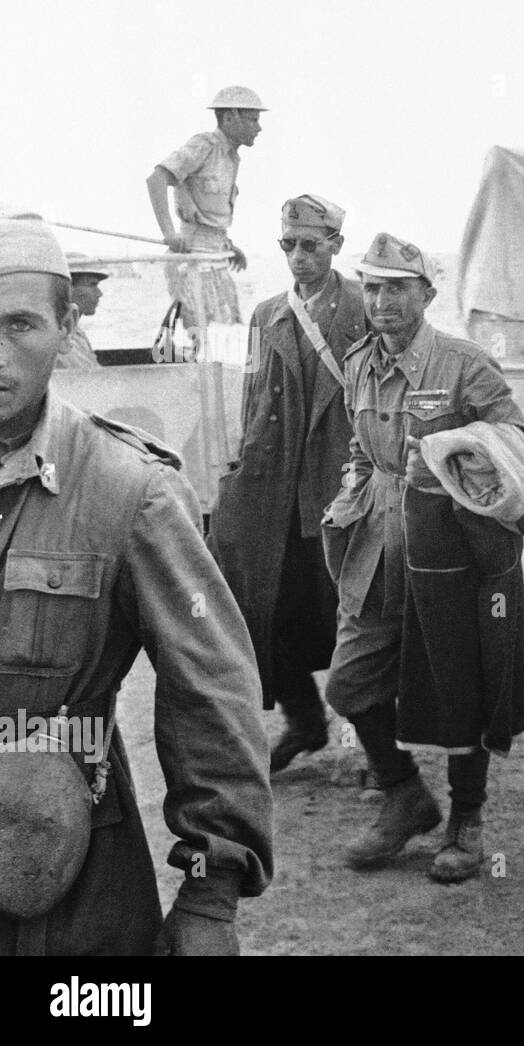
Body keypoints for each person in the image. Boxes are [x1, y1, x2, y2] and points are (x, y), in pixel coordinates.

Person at [0, 218, 272, 955]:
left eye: (19, 324)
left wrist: (212, 896)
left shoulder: (129, 492)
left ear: (66, 327)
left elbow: (209, 688)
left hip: (68, 863)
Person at [321, 232, 524, 883]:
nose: (382, 300)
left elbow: (517, 436)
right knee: (351, 682)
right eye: (373, 287)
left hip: (450, 544)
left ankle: (466, 820)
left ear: (427, 294)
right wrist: (348, 498)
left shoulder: (463, 364)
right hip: (377, 543)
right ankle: (404, 794)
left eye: (397, 288)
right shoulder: (357, 363)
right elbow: (361, 449)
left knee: (458, 685)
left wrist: (457, 453)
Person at [209, 195, 366, 773]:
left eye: (311, 246)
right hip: (277, 490)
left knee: (360, 616)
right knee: (265, 606)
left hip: (340, 487)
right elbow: (253, 398)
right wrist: (237, 471)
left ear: (335, 247)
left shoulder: (364, 306)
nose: (298, 257)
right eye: (288, 246)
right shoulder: (266, 313)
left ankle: (378, 749)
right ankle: (305, 720)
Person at [145, 86, 266, 338]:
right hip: (192, 262)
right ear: (230, 117)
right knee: (208, 341)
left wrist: (229, 245)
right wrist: (168, 232)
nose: (259, 127)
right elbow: (156, 179)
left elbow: (208, 213)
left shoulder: (231, 157)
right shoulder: (204, 145)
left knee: (232, 337)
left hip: (216, 258)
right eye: (253, 119)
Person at [60, 254, 106, 369]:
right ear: (68, 289)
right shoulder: (61, 342)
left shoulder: (75, 332)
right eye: (93, 285)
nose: (100, 293)